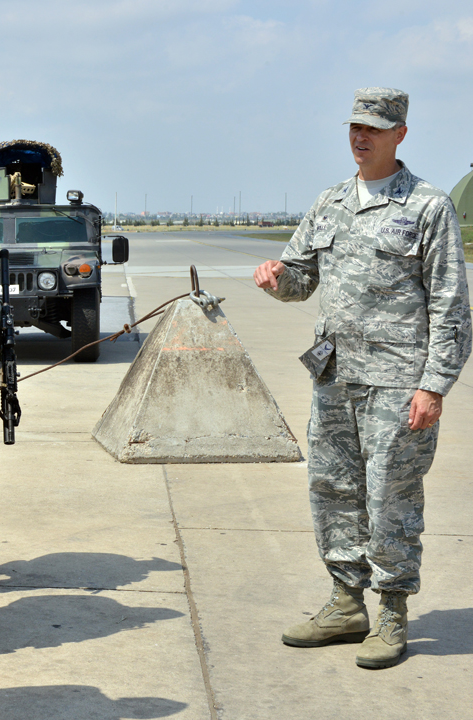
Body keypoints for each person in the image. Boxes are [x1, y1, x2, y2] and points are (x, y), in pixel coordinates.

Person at [254, 87, 472, 669]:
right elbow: (301, 279)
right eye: (355, 126)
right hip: (334, 377)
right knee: (332, 490)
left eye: (374, 128)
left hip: (399, 384)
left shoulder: (427, 206)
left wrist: (434, 386)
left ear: (400, 134)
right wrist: (276, 278)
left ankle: (393, 612)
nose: (361, 136)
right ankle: (346, 604)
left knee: (390, 498)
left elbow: (451, 306)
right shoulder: (330, 202)